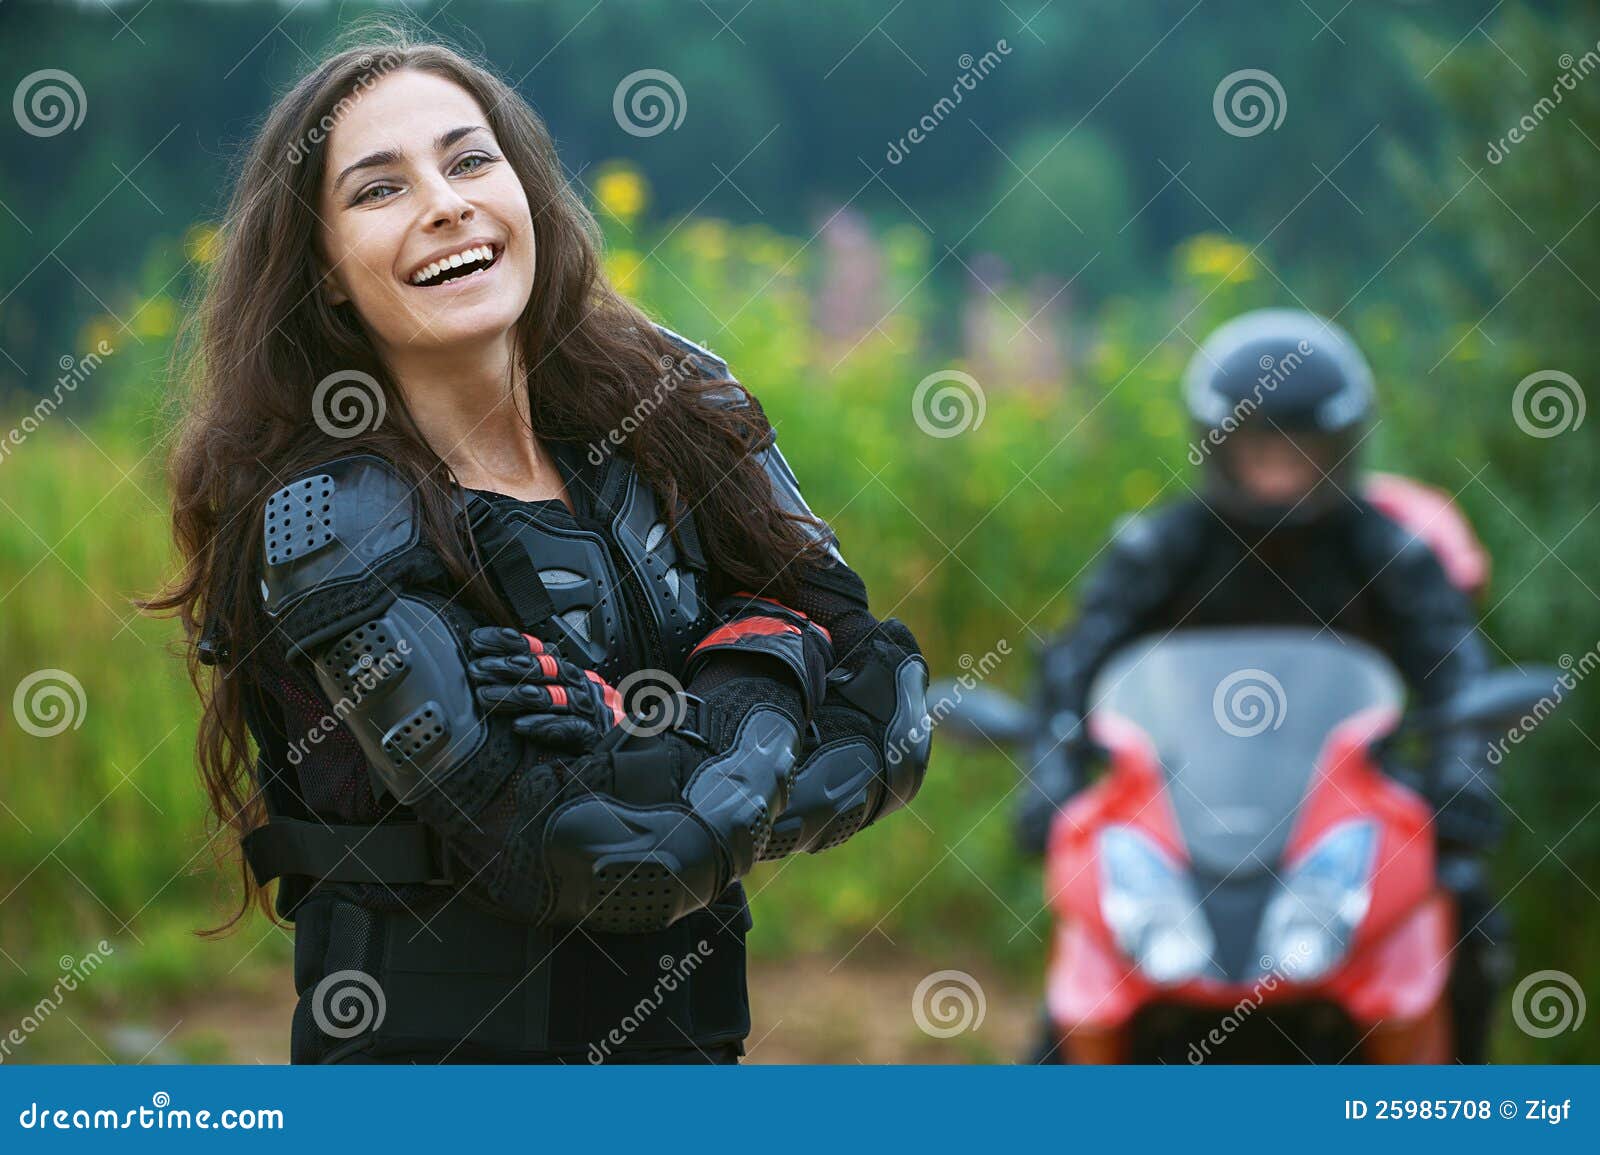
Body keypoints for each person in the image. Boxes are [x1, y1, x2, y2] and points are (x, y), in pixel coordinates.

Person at [138, 27, 929, 1064]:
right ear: (325, 272)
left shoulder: (674, 408)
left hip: (688, 1054)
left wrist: (677, 719)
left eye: (470, 160)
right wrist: (771, 676)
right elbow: (616, 857)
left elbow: (889, 700)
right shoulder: (324, 520)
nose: (444, 203)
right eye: (379, 190)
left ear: (527, 194)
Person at [1016, 308, 1507, 1062]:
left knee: (1466, 914)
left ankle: (1454, 1110)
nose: (1280, 465)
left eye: (1301, 446)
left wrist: (1463, 770)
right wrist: (1048, 770)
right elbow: (1076, 664)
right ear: (1220, 446)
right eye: (1258, 446)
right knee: (1088, 952)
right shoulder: (1162, 547)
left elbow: (1454, 671)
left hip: (1350, 813)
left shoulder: (1391, 554)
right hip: (1177, 810)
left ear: (1340, 447)